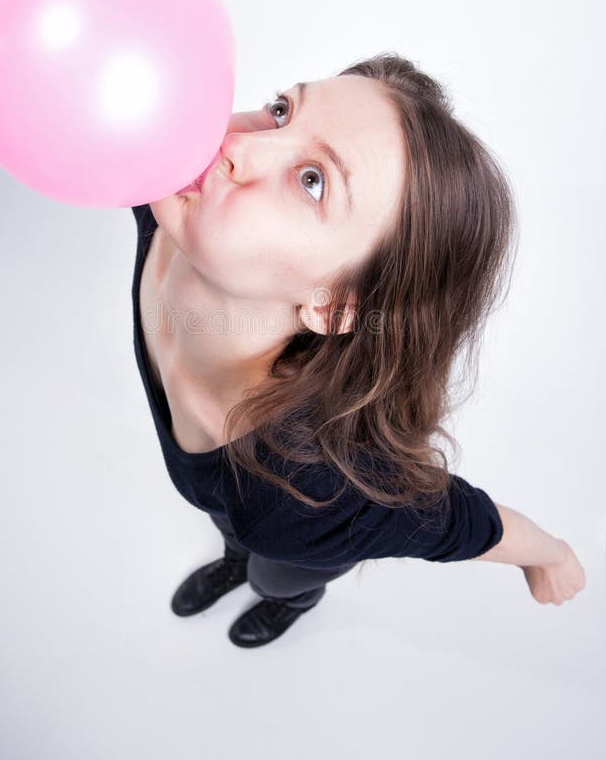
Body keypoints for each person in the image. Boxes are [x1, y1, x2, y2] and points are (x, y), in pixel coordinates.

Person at [131, 52, 586, 649]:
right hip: (243, 505)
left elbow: (459, 521)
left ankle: (286, 601)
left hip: (289, 537)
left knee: (276, 566)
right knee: (234, 526)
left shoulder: (315, 499)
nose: (235, 145)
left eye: (312, 180)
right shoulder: (159, 196)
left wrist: (550, 557)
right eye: (280, 110)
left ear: (333, 305)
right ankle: (233, 556)